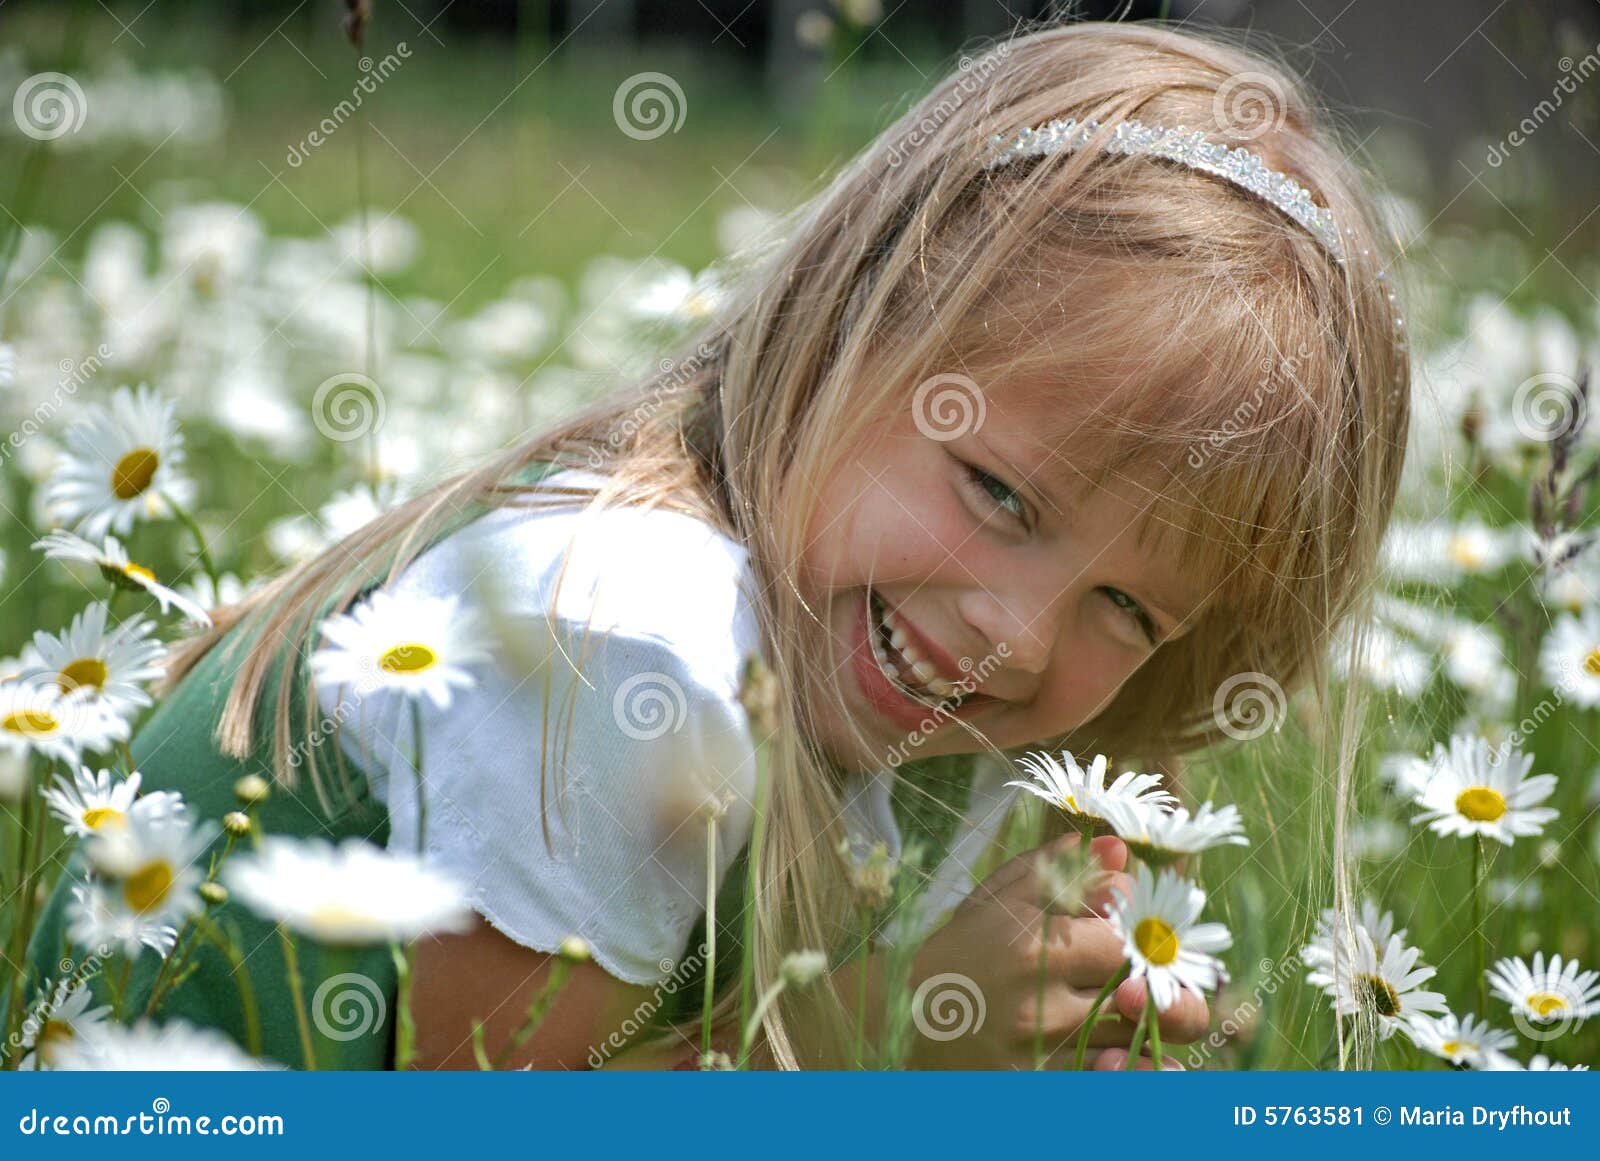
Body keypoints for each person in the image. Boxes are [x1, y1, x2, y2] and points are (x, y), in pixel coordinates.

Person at [25, 19, 1408, 1070]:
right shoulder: (632, 641)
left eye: (1130, 607)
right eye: (997, 493)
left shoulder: (916, 690)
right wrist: (897, 1035)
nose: (1018, 638)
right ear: (854, 324)